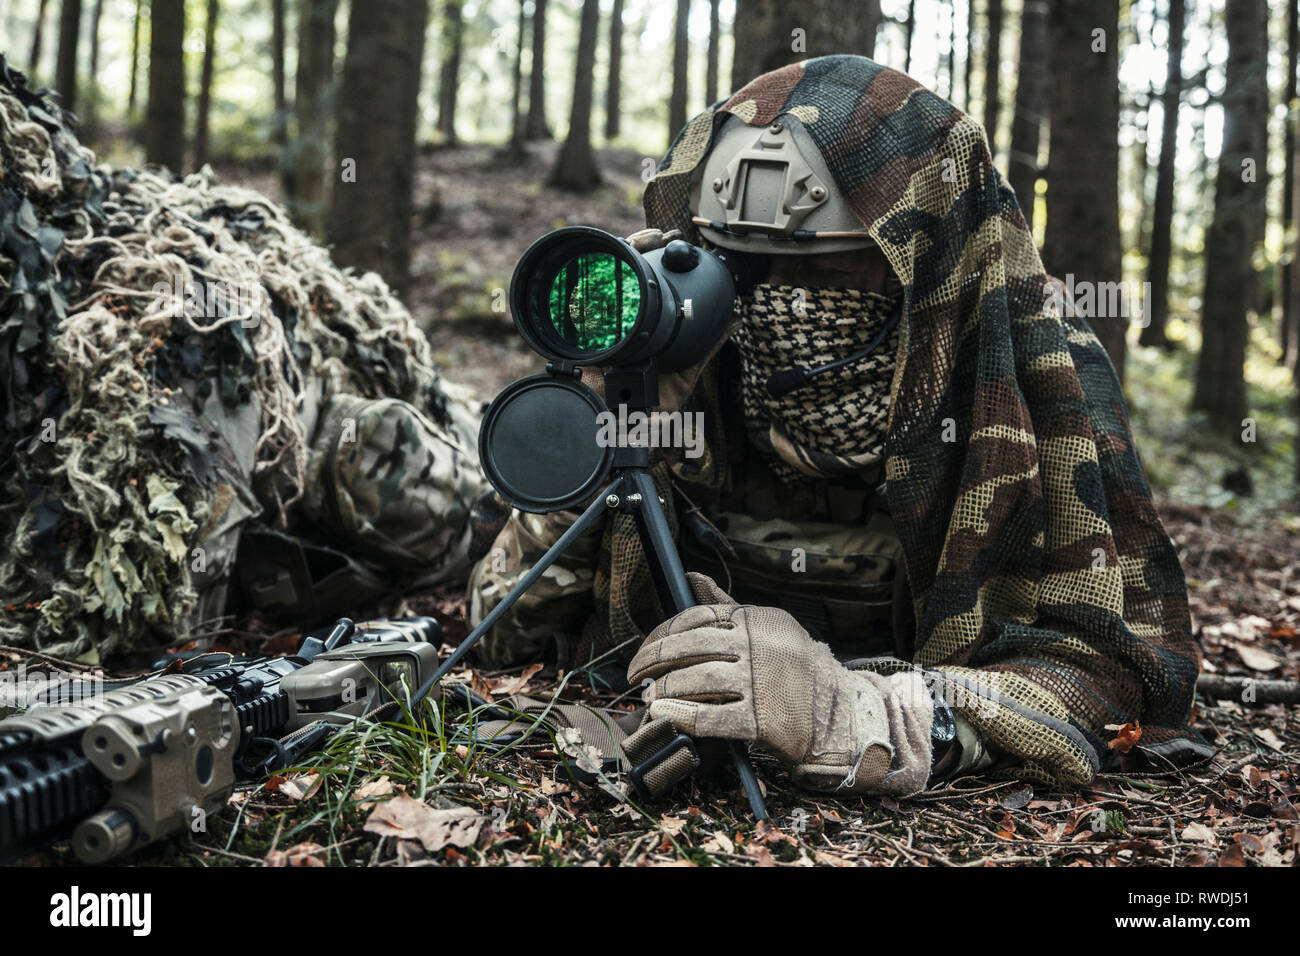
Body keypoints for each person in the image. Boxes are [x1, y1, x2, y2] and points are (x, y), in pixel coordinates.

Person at [466, 55, 1210, 796]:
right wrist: (608, 417)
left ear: (931, 264)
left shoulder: (1026, 364)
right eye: (740, 270)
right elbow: (503, 629)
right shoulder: (685, 363)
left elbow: (1120, 669)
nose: (783, 303)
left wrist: (874, 717)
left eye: (831, 274)